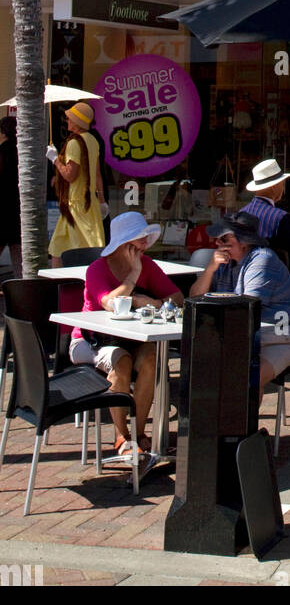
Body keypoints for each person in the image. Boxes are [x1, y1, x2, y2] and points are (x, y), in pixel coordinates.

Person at [69, 211, 184, 458]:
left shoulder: (148, 265)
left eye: (144, 238)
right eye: (139, 239)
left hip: (134, 339)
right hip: (90, 340)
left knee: (153, 360)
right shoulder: (97, 269)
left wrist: (150, 302)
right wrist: (133, 276)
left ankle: (139, 432)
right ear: (123, 244)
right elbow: (109, 303)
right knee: (121, 362)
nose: (144, 244)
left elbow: (177, 298)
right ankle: (121, 436)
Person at [190, 209, 290, 400]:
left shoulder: (262, 260)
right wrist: (210, 269)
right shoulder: (226, 261)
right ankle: (233, 428)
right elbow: (194, 298)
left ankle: (241, 429)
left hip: (287, 336)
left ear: (245, 241)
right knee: (216, 372)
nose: (217, 244)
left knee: (245, 380)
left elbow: (246, 310)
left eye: (224, 240)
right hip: (256, 334)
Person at [47, 101, 106, 261]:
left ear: (77, 122)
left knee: (69, 251)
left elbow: (70, 175)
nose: (67, 121)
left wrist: (55, 159)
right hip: (89, 204)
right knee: (58, 248)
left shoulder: (74, 143)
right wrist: (101, 201)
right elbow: (97, 174)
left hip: (77, 207)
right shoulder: (92, 141)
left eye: (69, 118)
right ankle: (60, 284)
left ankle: (62, 284)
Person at [240, 157, 290, 277]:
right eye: (282, 184)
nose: (283, 188)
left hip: (246, 276)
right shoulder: (280, 217)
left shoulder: (241, 213)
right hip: (277, 280)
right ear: (274, 186)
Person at [0, 116, 22, 278]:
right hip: (18, 208)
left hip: (2, 206)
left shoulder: (2, 151)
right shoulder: (23, 152)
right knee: (19, 254)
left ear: (3, 132)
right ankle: (23, 285)